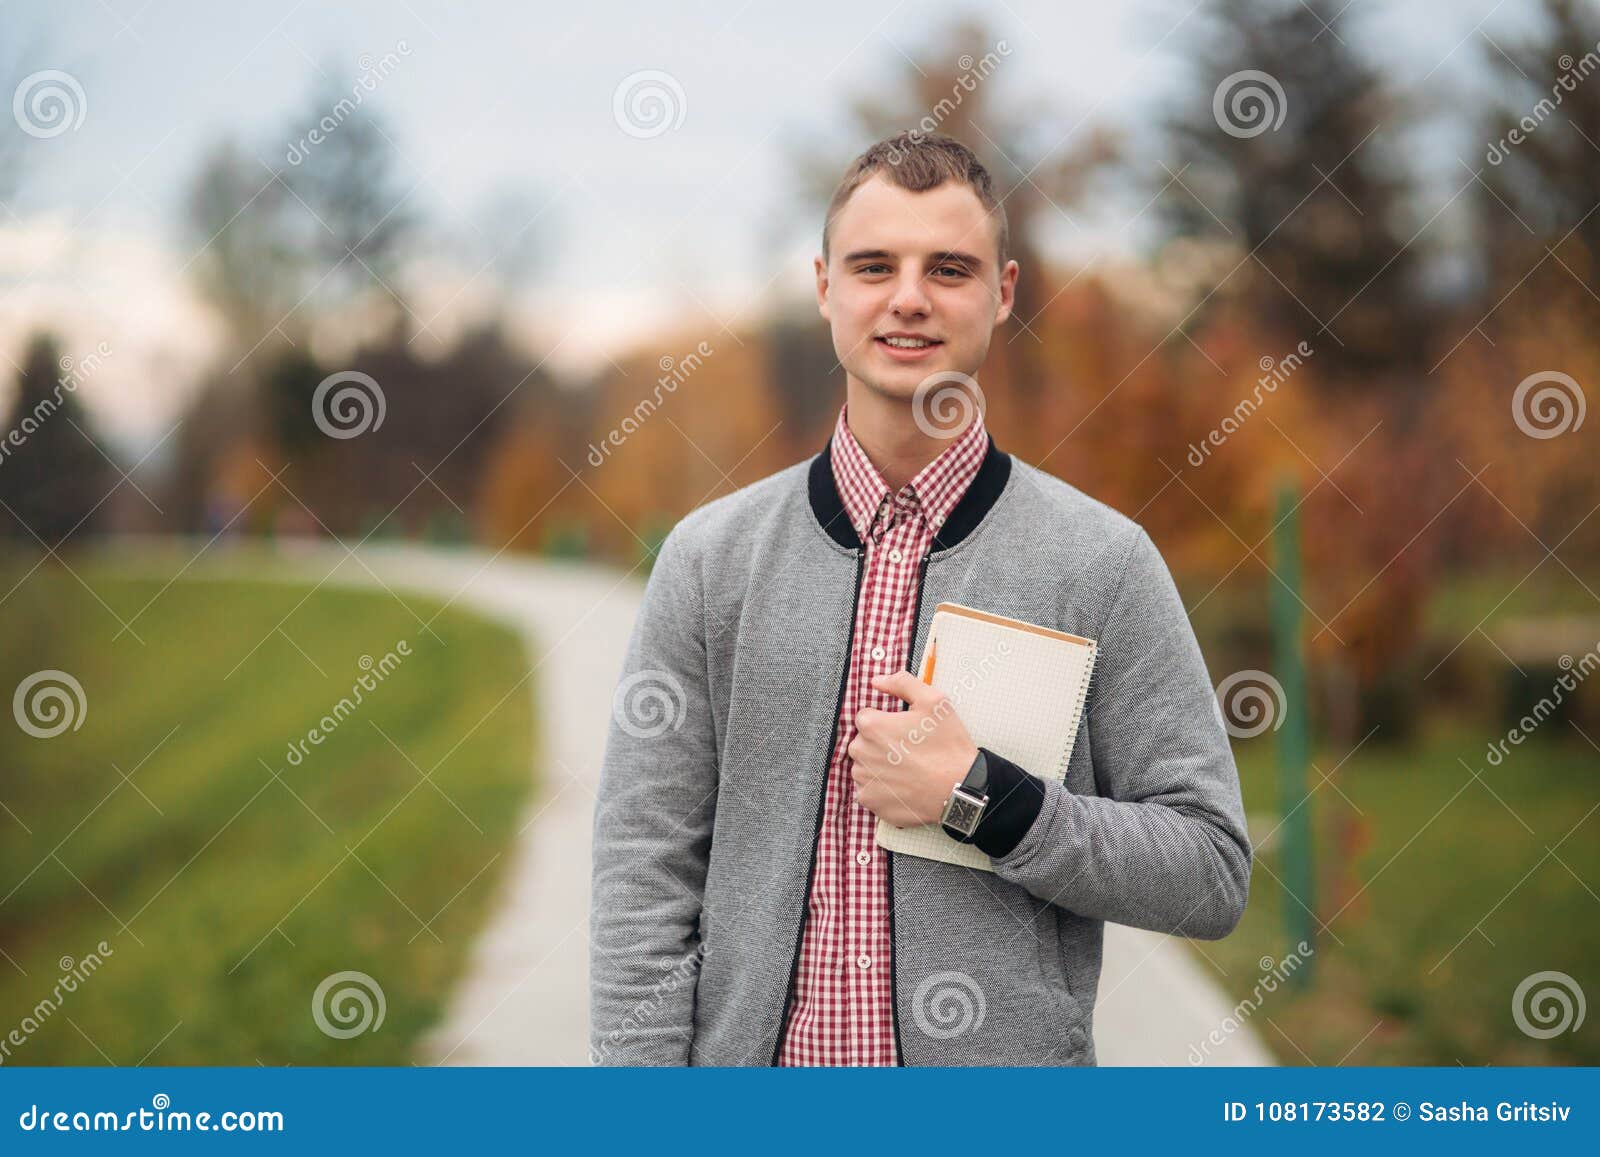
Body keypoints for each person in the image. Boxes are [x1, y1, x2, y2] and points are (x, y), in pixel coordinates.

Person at [588, 131, 1252, 1066]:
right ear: (825, 287)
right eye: (873, 266)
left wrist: (983, 798)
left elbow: (1211, 873)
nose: (908, 297)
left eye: (948, 267)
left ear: (1003, 291)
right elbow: (642, 875)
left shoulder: (1102, 563)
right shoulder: (709, 561)